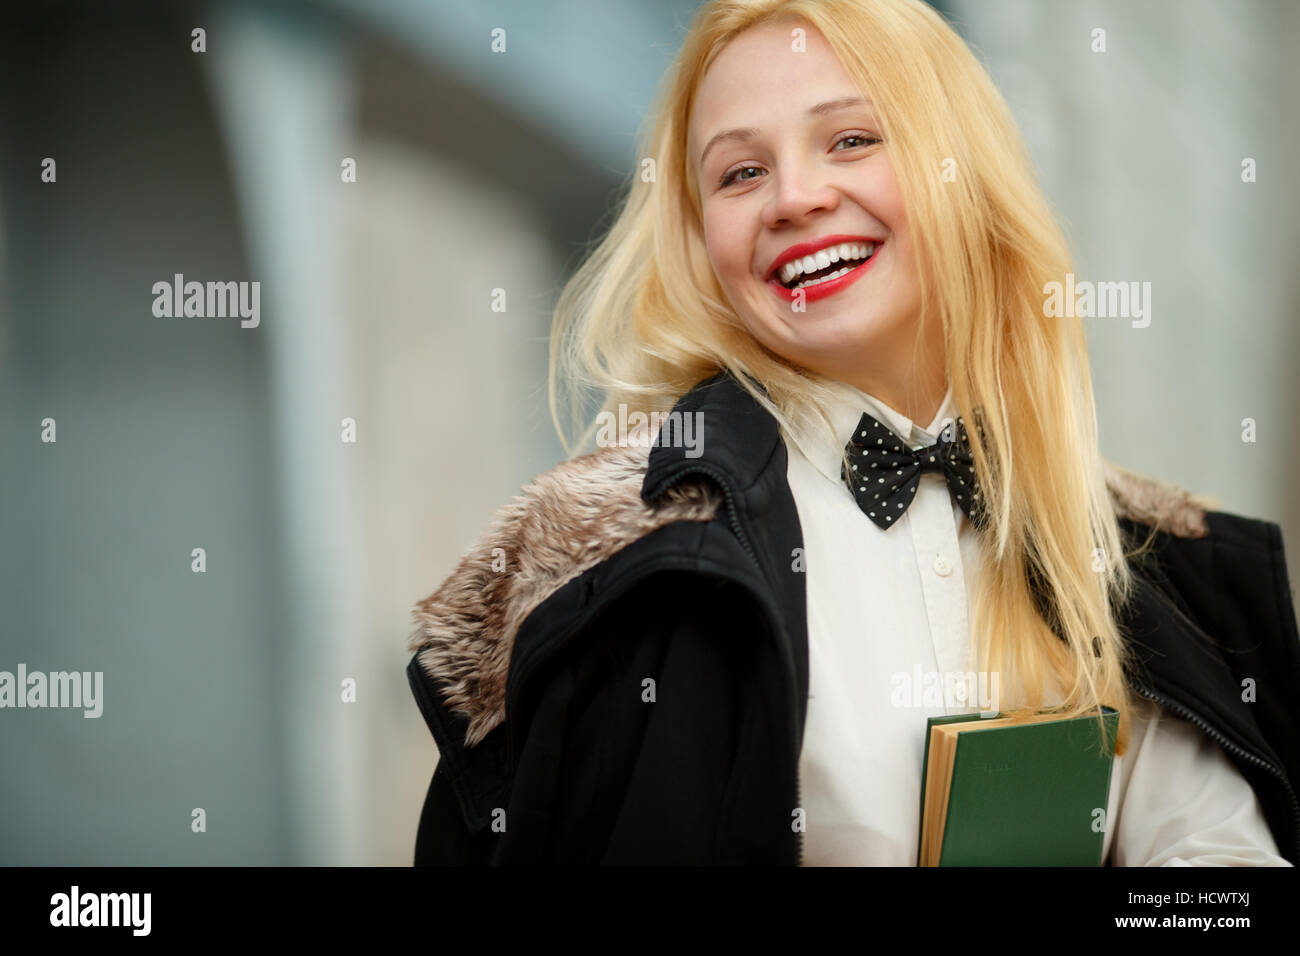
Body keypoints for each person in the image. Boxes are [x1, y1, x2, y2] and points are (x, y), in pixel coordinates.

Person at [405, 0, 1300, 865]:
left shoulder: (1147, 557)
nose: (793, 197)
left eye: (851, 140)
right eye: (739, 172)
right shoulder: (613, 575)